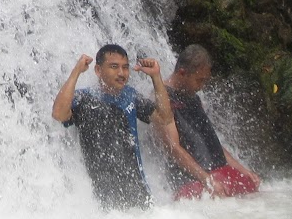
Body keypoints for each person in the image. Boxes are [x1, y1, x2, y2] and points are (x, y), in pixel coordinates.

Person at [52, 44, 202, 209]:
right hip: (102, 200)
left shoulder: (130, 96)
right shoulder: (84, 98)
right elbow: (59, 113)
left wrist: (156, 77)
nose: (121, 73)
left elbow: (164, 117)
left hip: (137, 192)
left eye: (125, 67)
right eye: (114, 67)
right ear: (98, 70)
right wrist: (76, 72)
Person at [161, 44, 260, 199]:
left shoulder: (193, 97)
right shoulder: (161, 98)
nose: (201, 87)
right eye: (199, 81)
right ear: (182, 73)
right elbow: (172, 148)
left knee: (254, 190)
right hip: (189, 181)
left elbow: (210, 141)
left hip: (216, 174)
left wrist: (242, 170)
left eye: (205, 81)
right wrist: (207, 180)